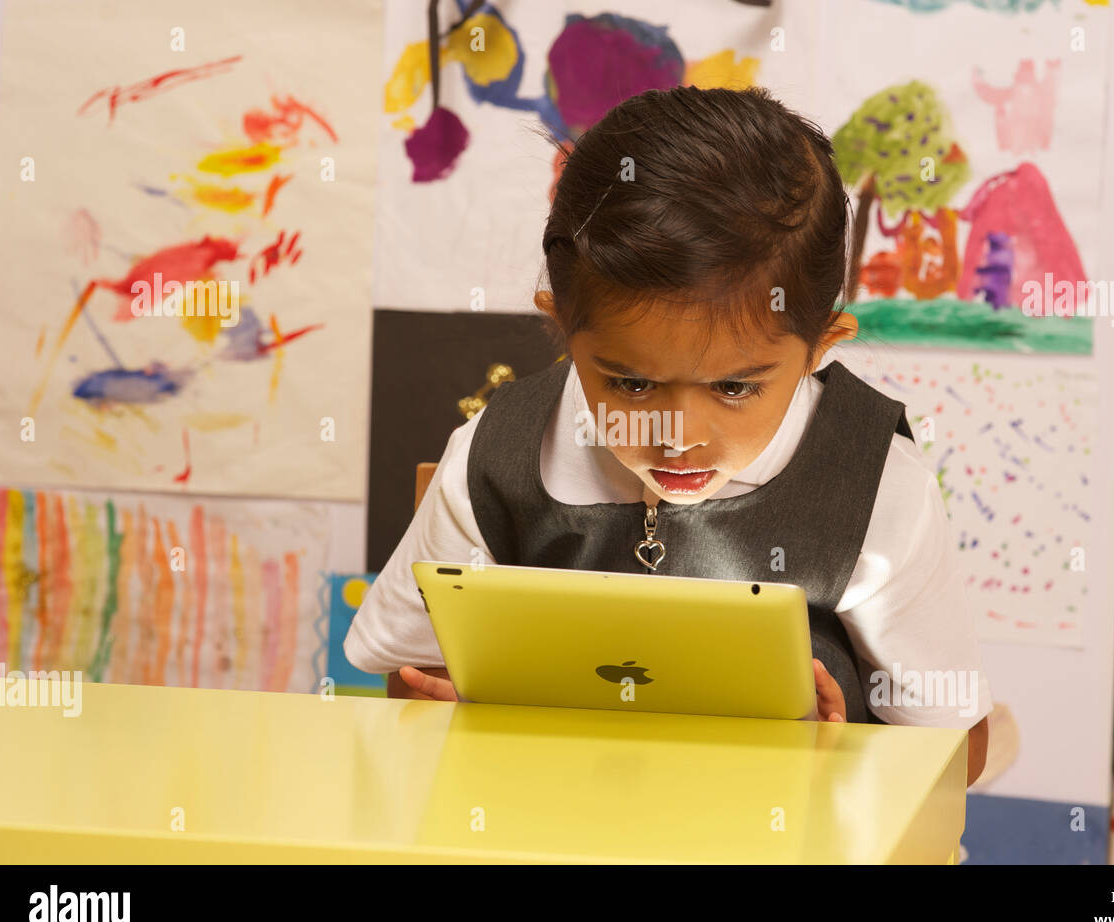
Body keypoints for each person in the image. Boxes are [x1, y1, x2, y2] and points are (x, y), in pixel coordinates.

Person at [346, 85, 991, 784]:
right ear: (561, 325)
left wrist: (846, 761)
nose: (677, 437)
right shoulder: (495, 459)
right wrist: (455, 714)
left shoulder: (878, 490)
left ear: (820, 347)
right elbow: (411, 677)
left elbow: (958, 754)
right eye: (631, 384)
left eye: (735, 388)